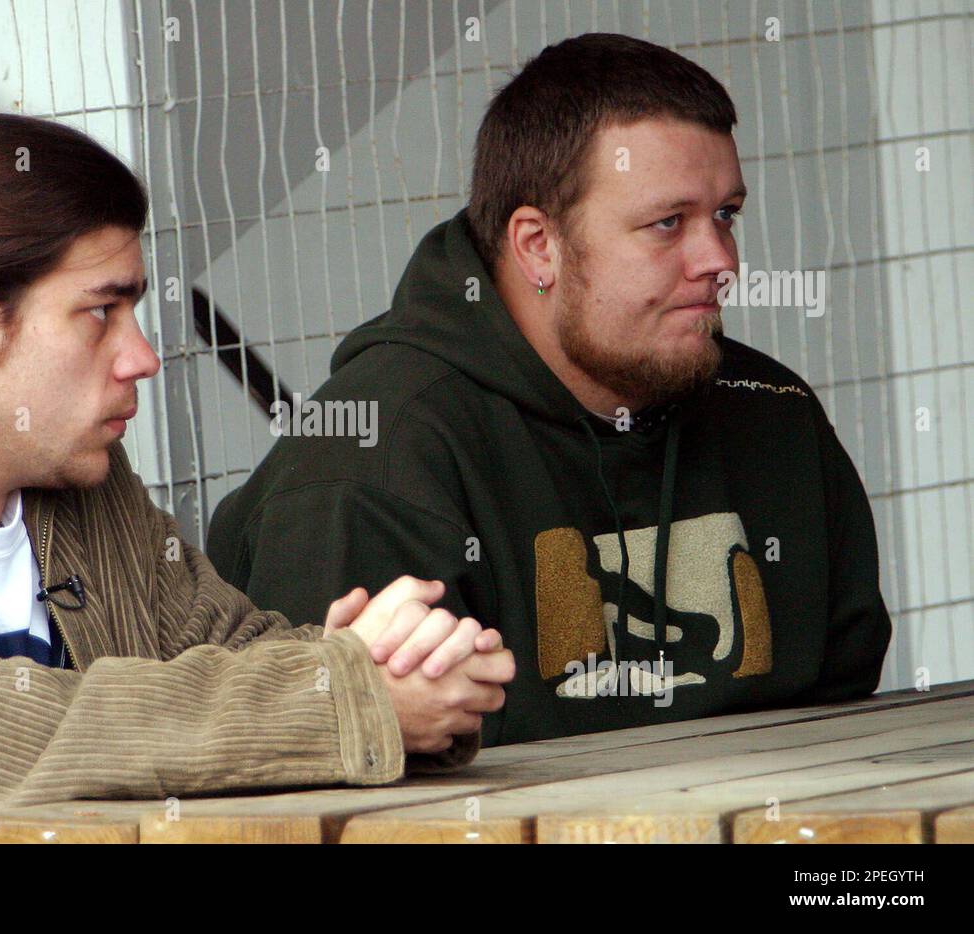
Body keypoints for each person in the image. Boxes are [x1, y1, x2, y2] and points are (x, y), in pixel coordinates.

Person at [0, 113, 514, 843]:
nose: (143, 356)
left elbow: (234, 657)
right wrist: (337, 699)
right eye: (102, 311)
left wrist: (398, 674)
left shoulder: (85, 489)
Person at [207, 33, 892, 747]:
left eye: (726, 215)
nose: (720, 260)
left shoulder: (770, 411)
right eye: (667, 223)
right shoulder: (371, 462)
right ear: (539, 245)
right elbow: (325, 787)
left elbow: (843, 706)